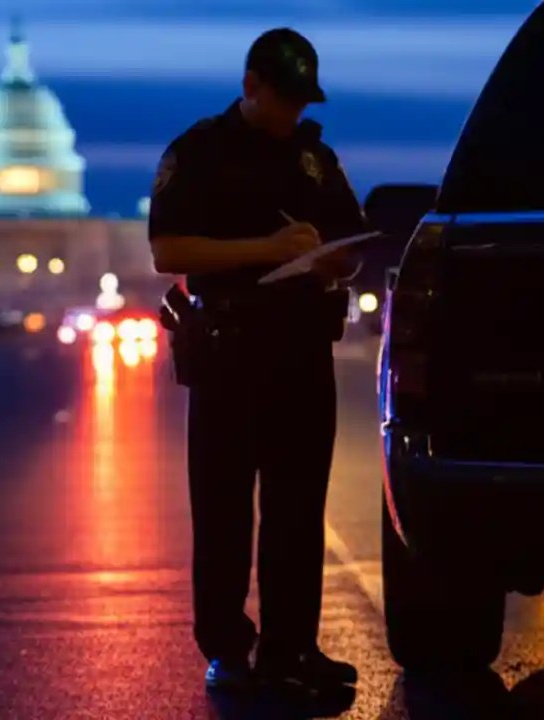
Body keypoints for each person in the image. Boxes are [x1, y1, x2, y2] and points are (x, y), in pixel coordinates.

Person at [147, 28, 368, 692]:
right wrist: (267, 249)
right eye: (283, 98)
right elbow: (170, 250)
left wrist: (336, 258)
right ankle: (227, 649)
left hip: (302, 351)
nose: (292, 113)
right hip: (230, 353)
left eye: (302, 101)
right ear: (250, 85)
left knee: (299, 509)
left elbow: (351, 241)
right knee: (223, 510)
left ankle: (291, 649)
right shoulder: (200, 151)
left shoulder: (314, 158)